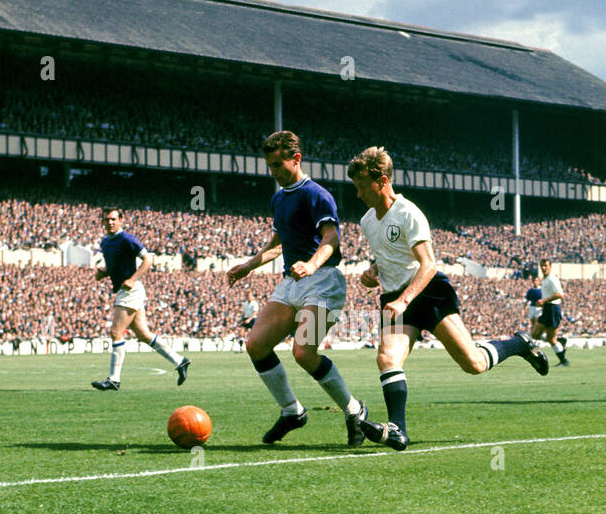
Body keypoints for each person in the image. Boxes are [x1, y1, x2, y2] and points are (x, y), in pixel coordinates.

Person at [347, 146, 547, 451]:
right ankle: (398, 429)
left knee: (474, 364)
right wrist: (371, 271)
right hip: (394, 298)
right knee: (387, 358)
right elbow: (388, 256)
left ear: (382, 180)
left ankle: (519, 344)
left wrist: (404, 300)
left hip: (427, 292)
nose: (358, 193)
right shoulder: (367, 221)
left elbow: (428, 265)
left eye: (362, 186)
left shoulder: (408, 213)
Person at [225, 130, 368, 445]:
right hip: (292, 282)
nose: (274, 171)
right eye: (270, 166)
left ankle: (355, 411)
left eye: (278, 164)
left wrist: (312, 264)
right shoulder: (279, 197)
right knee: (256, 344)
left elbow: (331, 238)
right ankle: (292, 411)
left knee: (303, 352)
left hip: (323, 280)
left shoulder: (316, 194)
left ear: (296, 159)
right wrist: (248, 265)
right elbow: (278, 244)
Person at [91, 207, 189, 390]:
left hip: (131, 289)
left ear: (121, 220)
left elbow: (148, 260)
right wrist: (103, 273)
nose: (110, 222)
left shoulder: (127, 239)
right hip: (125, 289)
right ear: (103, 222)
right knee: (143, 335)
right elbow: (115, 266)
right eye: (107, 220)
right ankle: (180, 361)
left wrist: (132, 279)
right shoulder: (105, 242)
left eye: (113, 219)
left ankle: (114, 379)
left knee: (116, 332)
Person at [530, 258, 570, 366]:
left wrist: (544, 300)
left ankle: (564, 361)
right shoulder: (545, 279)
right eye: (541, 266)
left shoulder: (552, 279)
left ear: (550, 266)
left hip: (553, 309)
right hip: (547, 308)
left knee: (551, 339)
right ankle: (559, 341)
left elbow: (560, 294)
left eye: (545, 266)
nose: (543, 268)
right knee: (535, 334)